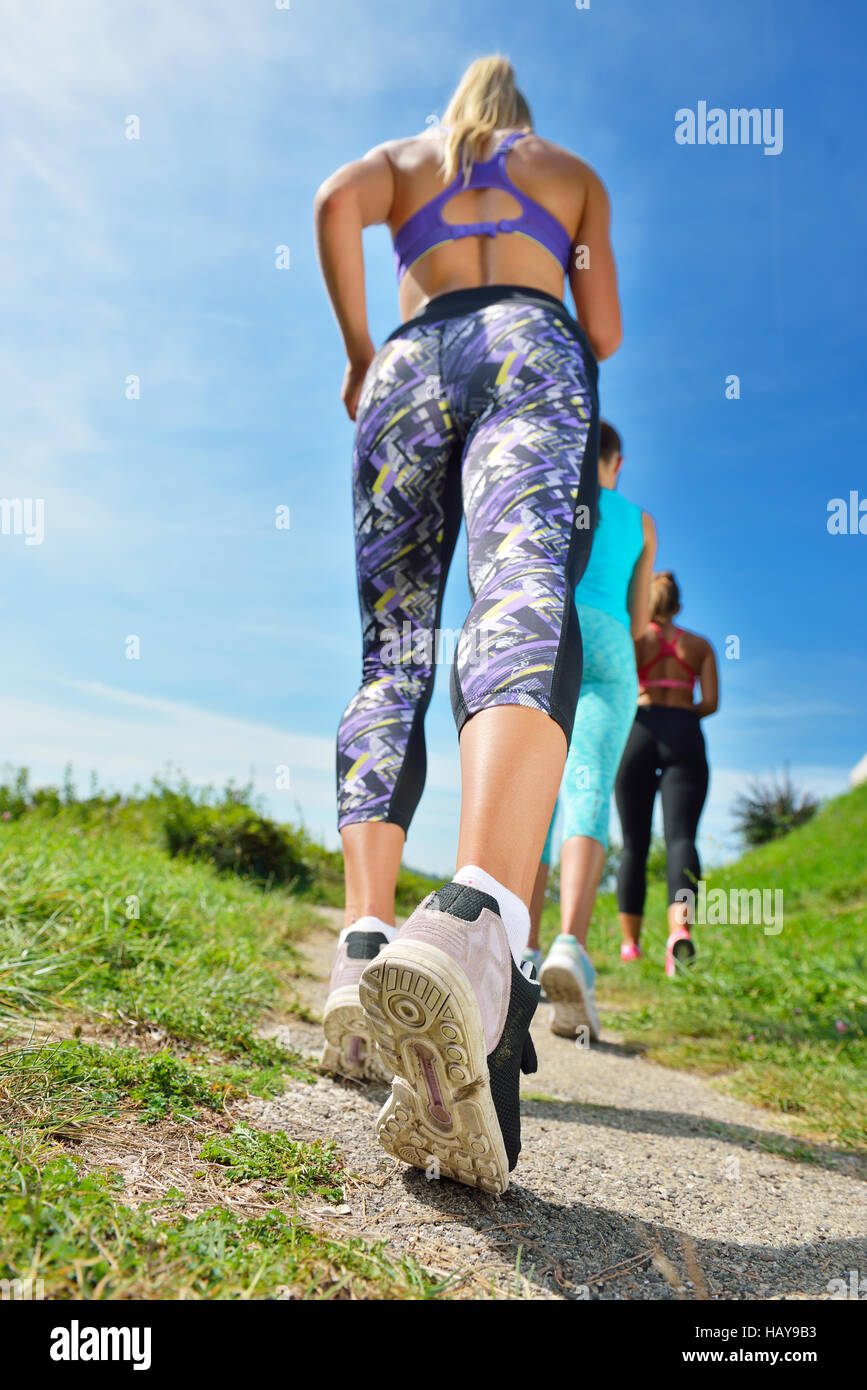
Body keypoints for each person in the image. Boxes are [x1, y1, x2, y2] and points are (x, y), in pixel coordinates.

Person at [313, 54, 621, 1194]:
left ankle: (361, 940)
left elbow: (332, 207)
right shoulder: (569, 173)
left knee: (392, 647)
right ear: (525, 116)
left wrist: (360, 343)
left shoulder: (406, 161)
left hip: (407, 363)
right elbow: (607, 323)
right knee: (525, 586)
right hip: (527, 348)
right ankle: (480, 920)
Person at [522, 422, 655, 1040]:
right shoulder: (642, 521)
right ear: (617, 462)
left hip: (550, 629)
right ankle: (569, 944)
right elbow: (639, 618)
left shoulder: (556, 493)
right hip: (607, 644)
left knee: (535, 793)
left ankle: (517, 951)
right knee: (589, 786)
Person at [614, 572, 719, 976]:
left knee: (633, 845)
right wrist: (684, 715)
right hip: (684, 733)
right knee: (681, 837)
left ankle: (630, 945)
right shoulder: (700, 645)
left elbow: (621, 689)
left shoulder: (635, 640)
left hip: (639, 730)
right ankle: (679, 932)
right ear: (678, 605)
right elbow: (710, 701)